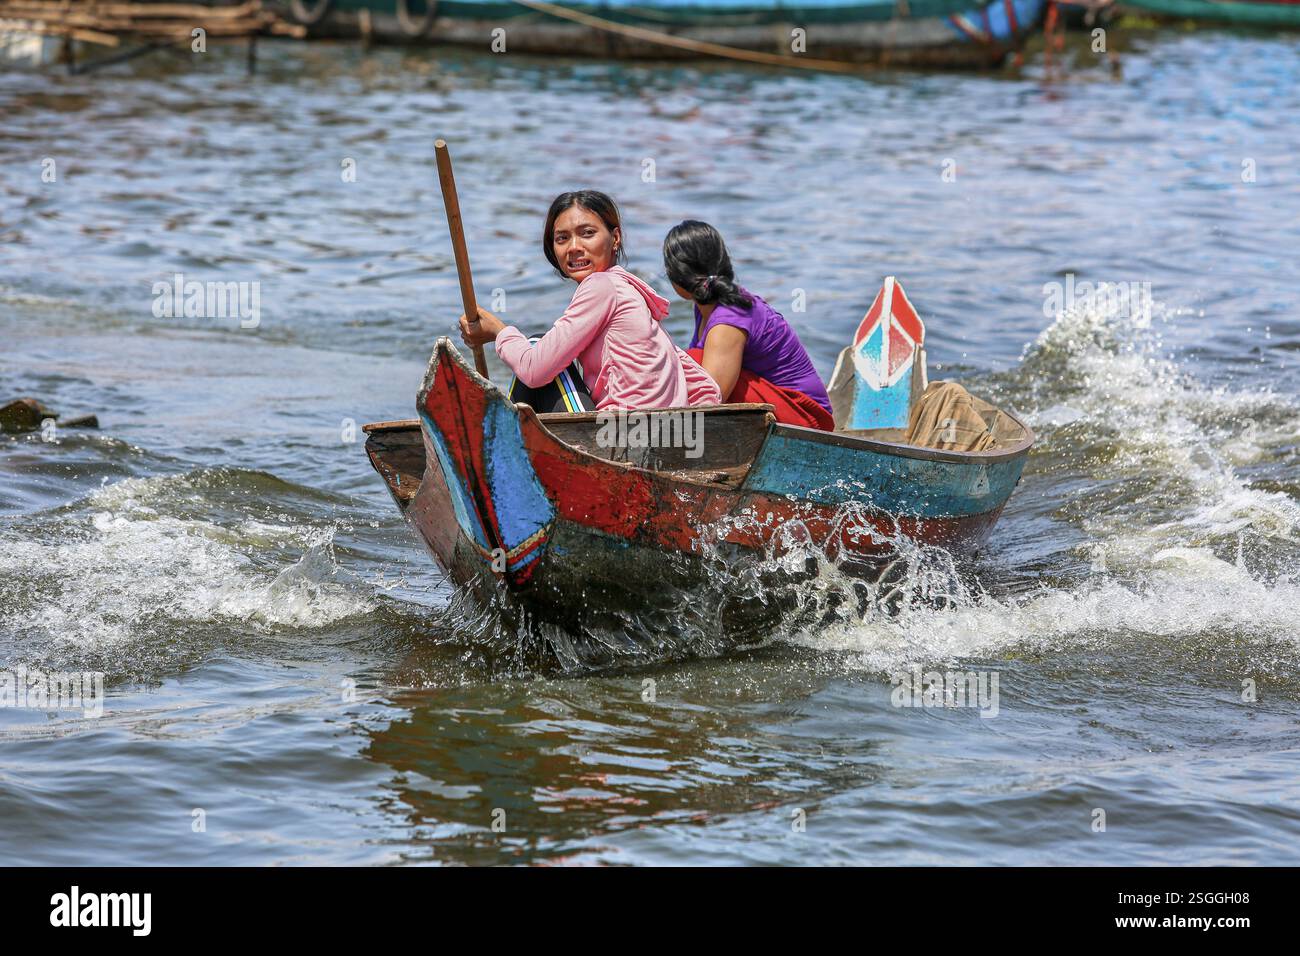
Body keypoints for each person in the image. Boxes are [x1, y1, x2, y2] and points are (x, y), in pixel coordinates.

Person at [459, 191, 720, 411]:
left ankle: (503, 449)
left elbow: (534, 369)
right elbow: (705, 387)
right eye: (562, 238)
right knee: (542, 351)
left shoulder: (601, 286)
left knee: (535, 346)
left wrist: (499, 332)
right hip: (662, 435)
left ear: (615, 238)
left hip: (621, 437)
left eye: (587, 233)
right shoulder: (630, 290)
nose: (574, 247)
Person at [663, 220, 834, 431]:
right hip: (785, 408)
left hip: (807, 419)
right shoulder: (708, 306)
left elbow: (710, 400)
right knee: (690, 361)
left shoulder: (728, 320)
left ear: (676, 278)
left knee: (693, 362)